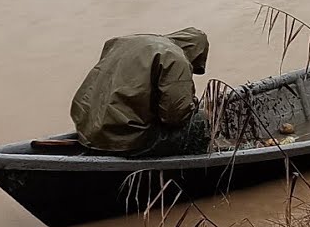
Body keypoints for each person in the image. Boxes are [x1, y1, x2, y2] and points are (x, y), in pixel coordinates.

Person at [70, 27, 212, 157]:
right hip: (127, 141)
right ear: (197, 54)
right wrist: (193, 106)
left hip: (88, 133)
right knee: (200, 120)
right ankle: (195, 169)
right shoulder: (177, 58)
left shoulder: (124, 42)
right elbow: (175, 116)